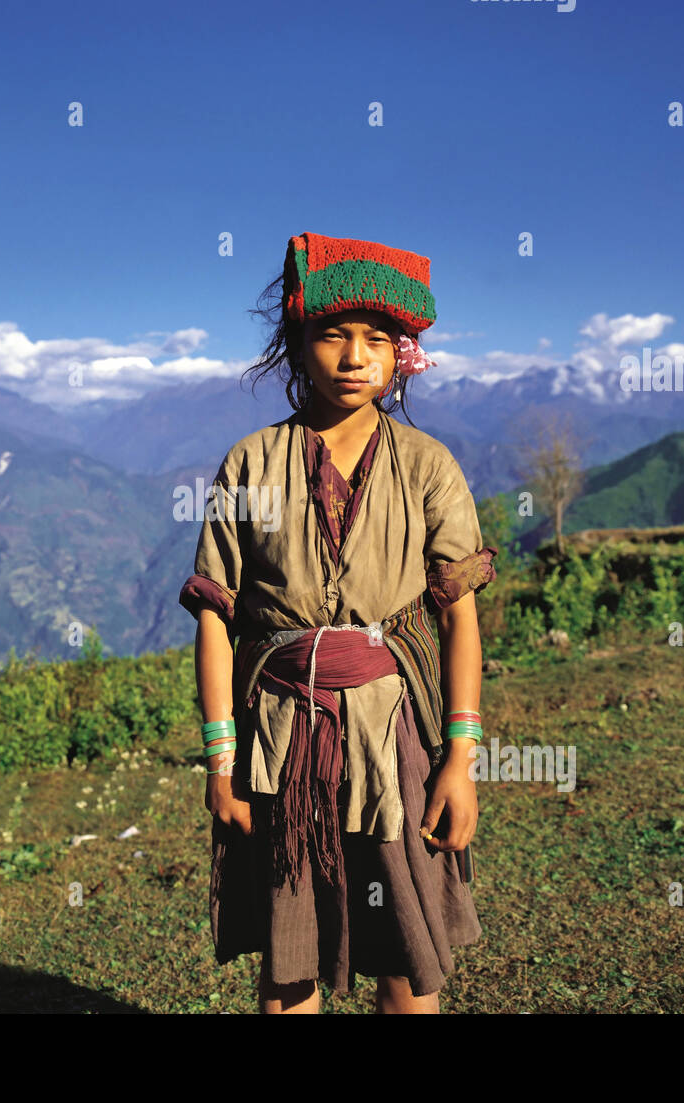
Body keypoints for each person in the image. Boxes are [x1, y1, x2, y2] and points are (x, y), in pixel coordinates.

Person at [178, 231, 498, 1014]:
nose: (355, 356)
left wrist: (460, 759)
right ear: (296, 345)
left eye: (377, 339)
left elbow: (460, 621)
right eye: (333, 334)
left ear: (401, 356)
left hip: (394, 737)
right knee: (291, 957)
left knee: (405, 948)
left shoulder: (428, 465)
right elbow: (216, 616)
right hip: (281, 742)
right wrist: (222, 761)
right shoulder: (249, 464)